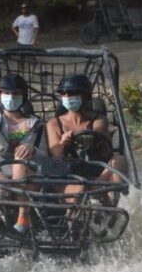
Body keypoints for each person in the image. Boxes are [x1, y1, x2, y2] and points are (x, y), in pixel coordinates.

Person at [0, 73, 47, 233]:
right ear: (0, 95)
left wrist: (32, 149)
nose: (11, 97)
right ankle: (12, 220)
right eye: (6, 93)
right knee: (5, 190)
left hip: (30, 172)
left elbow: (45, 154)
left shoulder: (37, 124)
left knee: (21, 164)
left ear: (23, 96)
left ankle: (23, 216)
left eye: (15, 94)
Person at [45, 73, 128, 202]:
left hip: (96, 171)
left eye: (72, 93)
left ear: (84, 96)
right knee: (80, 188)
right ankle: (91, 196)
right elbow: (56, 155)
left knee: (119, 160)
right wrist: (63, 143)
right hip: (67, 175)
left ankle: (113, 201)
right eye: (64, 94)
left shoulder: (98, 119)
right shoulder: (54, 124)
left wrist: (90, 137)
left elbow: (99, 132)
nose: (67, 97)